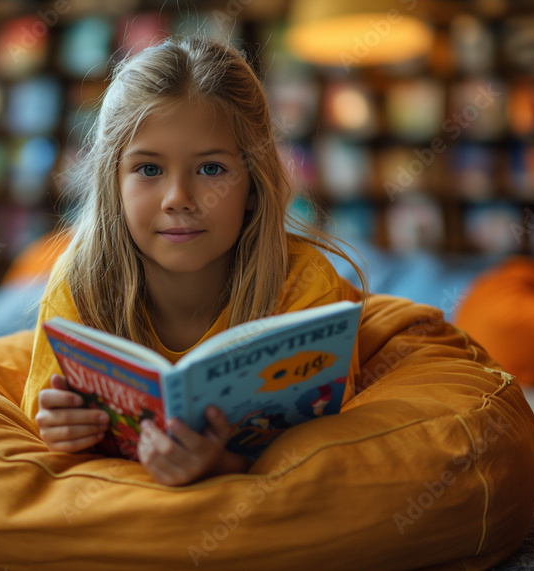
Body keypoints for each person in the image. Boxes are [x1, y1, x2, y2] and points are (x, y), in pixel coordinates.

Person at [25, 36, 367, 486]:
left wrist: (225, 467)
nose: (178, 199)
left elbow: (328, 456)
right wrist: (57, 424)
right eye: (148, 169)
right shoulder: (79, 283)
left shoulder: (306, 285)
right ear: (114, 183)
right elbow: (43, 419)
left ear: (253, 184)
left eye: (211, 169)